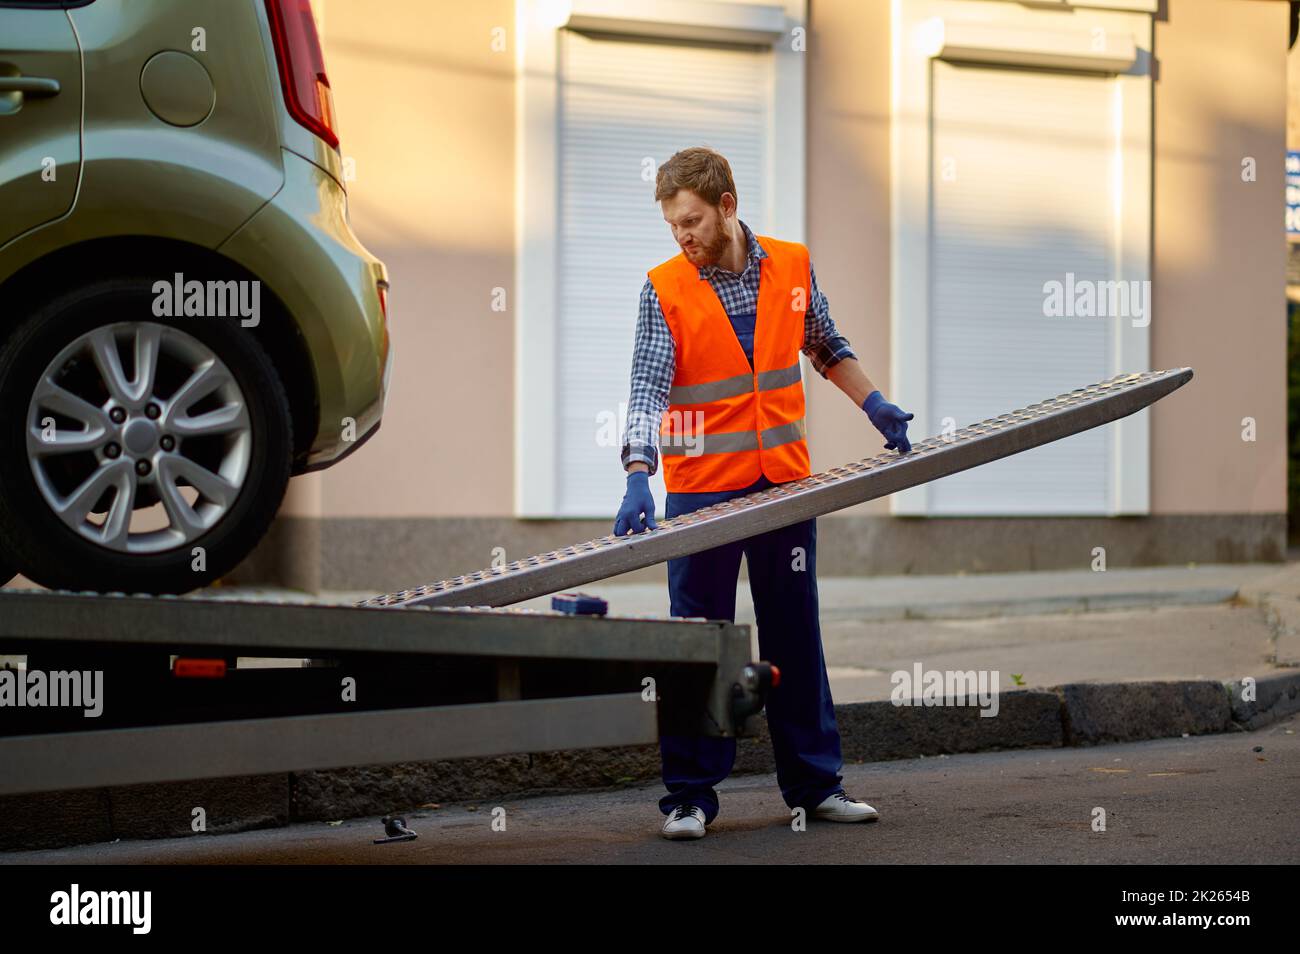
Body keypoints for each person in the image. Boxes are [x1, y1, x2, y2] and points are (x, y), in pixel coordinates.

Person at [614, 146, 914, 840]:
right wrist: (637, 472)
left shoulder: (793, 265)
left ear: (727, 206)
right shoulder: (664, 286)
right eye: (671, 227)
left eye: (691, 221)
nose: (682, 237)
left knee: (795, 635)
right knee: (698, 645)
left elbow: (826, 344)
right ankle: (689, 798)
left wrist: (875, 405)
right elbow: (647, 387)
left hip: (783, 487)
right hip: (700, 493)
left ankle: (816, 787)